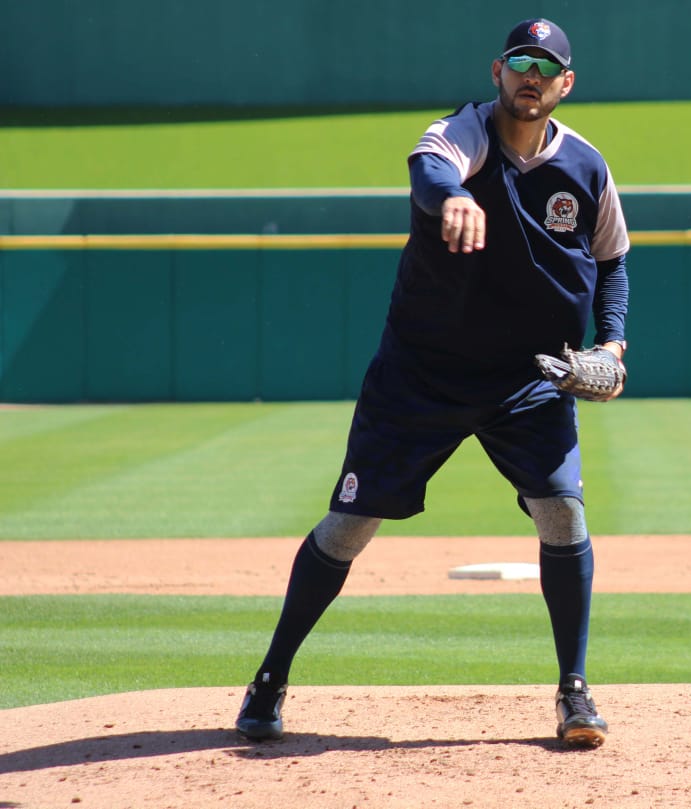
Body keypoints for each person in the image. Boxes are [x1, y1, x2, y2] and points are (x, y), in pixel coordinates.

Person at [234, 17, 629, 750]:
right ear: (497, 72)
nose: (532, 76)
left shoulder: (586, 166)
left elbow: (611, 262)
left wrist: (611, 342)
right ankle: (270, 677)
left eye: (546, 67)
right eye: (521, 62)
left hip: (529, 379)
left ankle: (574, 690)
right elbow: (429, 168)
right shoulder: (461, 135)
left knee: (563, 516)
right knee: (349, 527)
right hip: (420, 375)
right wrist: (452, 195)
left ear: (566, 83)